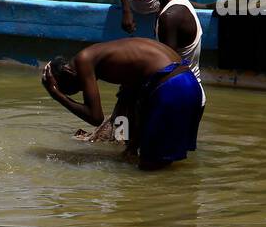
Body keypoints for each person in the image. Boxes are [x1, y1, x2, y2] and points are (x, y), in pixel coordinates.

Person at [41, 38, 203, 170]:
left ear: (69, 73)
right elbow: (126, 105)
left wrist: (57, 95)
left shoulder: (84, 59)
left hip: (170, 87)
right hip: (190, 85)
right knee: (164, 165)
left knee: (149, 168)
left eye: (71, 90)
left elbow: (95, 117)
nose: (82, 89)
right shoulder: (110, 56)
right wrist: (128, 145)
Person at [148, 0, 206, 108]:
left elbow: (167, 68)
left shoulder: (171, 17)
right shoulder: (180, 2)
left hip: (180, 97)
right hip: (189, 94)